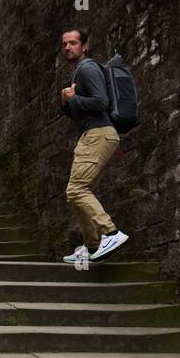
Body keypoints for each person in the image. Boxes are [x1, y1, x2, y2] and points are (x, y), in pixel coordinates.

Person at [59, 27, 128, 264]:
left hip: (98, 134)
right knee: (77, 192)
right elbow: (78, 112)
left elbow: (101, 102)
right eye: (64, 44)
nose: (68, 47)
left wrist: (73, 98)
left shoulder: (87, 68)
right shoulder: (80, 71)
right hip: (94, 134)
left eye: (73, 43)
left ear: (85, 46)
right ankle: (91, 247)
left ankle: (111, 233)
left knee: (76, 190)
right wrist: (66, 102)